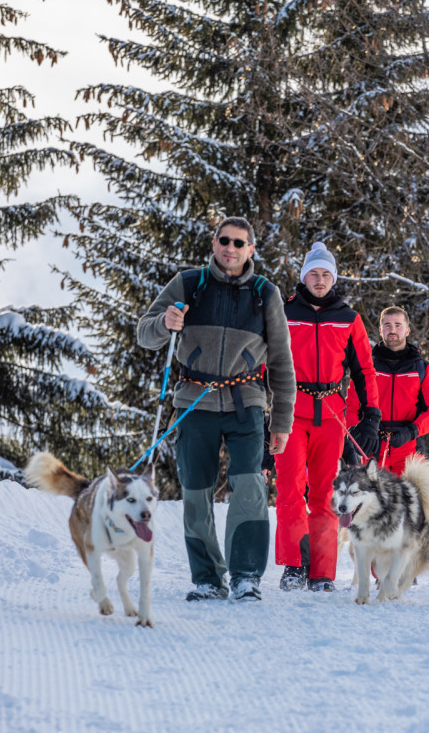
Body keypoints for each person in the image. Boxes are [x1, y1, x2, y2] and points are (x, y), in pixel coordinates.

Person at [137, 217, 295, 602]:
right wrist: (165, 322)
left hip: (247, 402)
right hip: (195, 401)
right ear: (214, 242)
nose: (230, 248)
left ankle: (245, 576)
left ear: (251, 250)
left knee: (250, 488)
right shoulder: (188, 283)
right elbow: (145, 333)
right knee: (196, 492)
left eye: (239, 243)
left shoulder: (264, 292)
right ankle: (207, 577)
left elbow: (281, 361)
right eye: (224, 241)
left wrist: (282, 421)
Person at [275, 242, 381, 592]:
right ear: (303, 276)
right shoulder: (285, 313)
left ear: (333, 279)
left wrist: (371, 417)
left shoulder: (348, 319)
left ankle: (321, 573)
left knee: (325, 494)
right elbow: (266, 364)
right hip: (291, 412)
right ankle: (293, 566)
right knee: (290, 490)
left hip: (331, 415)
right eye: (313, 273)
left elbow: (364, 370)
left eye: (326, 274)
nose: (319, 280)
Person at [345, 306, 429, 476]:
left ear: (407, 330)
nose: (393, 330)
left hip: (409, 452)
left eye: (398, 325)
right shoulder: (366, 367)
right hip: (372, 450)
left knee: (409, 502)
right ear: (380, 329)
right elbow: (351, 407)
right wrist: (356, 434)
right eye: (387, 325)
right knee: (373, 502)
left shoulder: (422, 368)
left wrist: (411, 432)